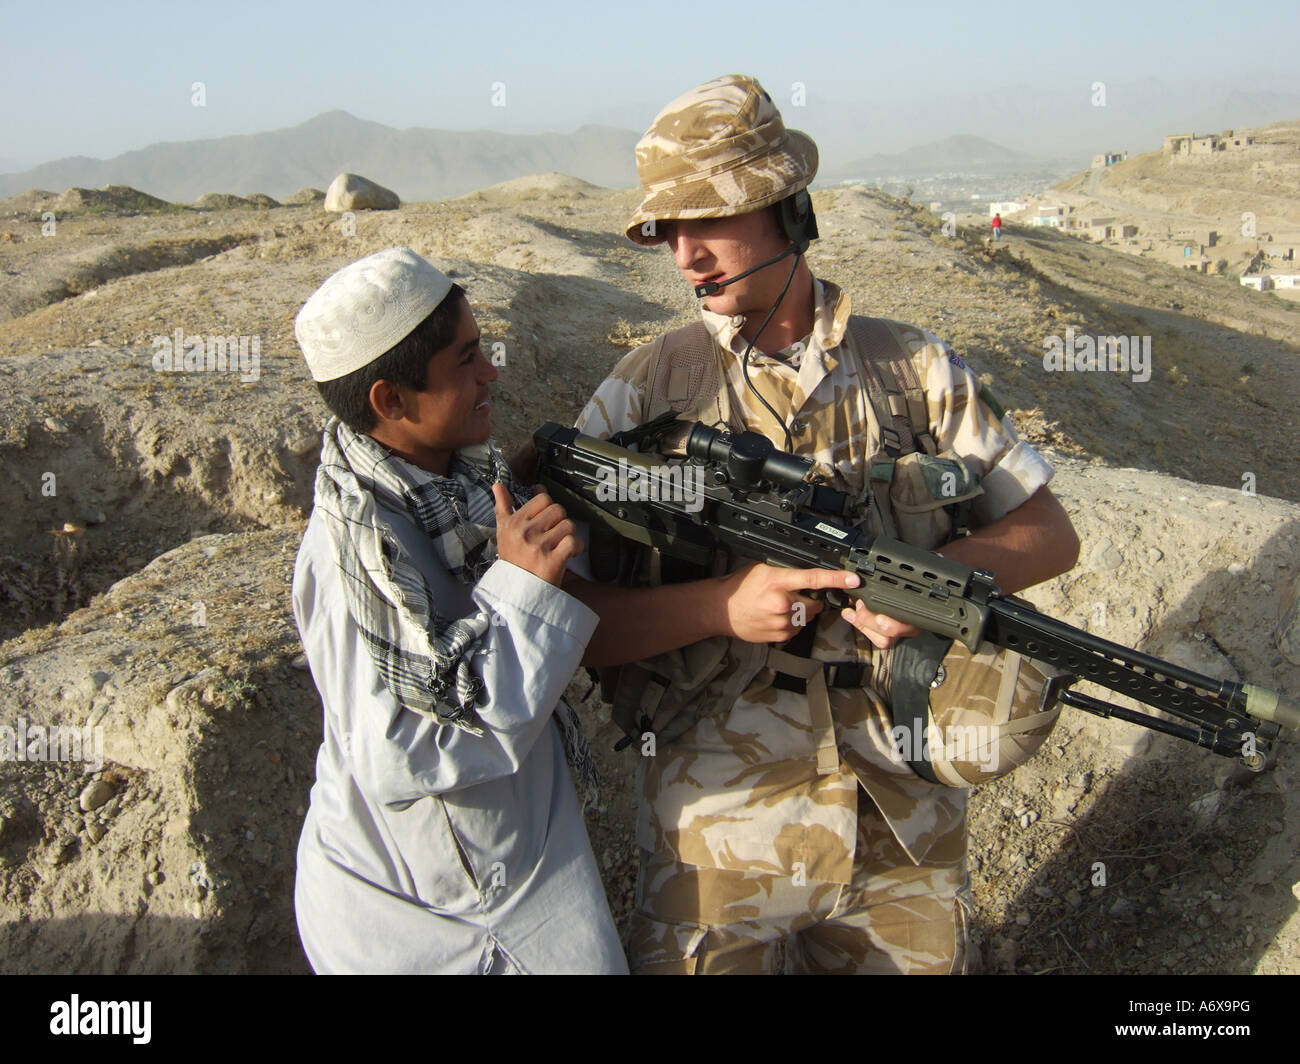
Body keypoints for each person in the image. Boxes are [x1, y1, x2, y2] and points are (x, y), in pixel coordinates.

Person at [567, 75, 1079, 974]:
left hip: (903, 833)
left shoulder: (912, 369)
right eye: (670, 231)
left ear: (789, 213)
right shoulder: (648, 392)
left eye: (709, 222)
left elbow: (1050, 533)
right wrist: (721, 606)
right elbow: (571, 622)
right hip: (717, 844)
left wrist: (936, 586)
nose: (687, 255)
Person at [290, 246, 626, 974]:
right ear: (390, 400)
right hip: (438, 916)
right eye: (467, 360)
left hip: (507, 864)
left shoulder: (460, 482)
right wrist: (519, 587)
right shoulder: (355, 554)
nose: (492, 375)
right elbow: (405, 753)